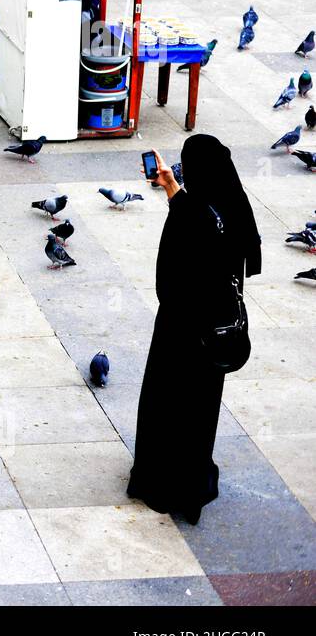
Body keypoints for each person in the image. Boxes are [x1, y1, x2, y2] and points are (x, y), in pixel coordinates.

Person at [127, 137, 262, 526]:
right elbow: (214, 237)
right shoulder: (231, 210)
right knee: (198, 412)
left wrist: (174, 193)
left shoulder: (195, 214)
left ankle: (159, 482)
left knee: (166, 404)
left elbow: (175, 265)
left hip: (179, 333)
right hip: (213, 336)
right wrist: (173, 190)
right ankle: (191, 485)